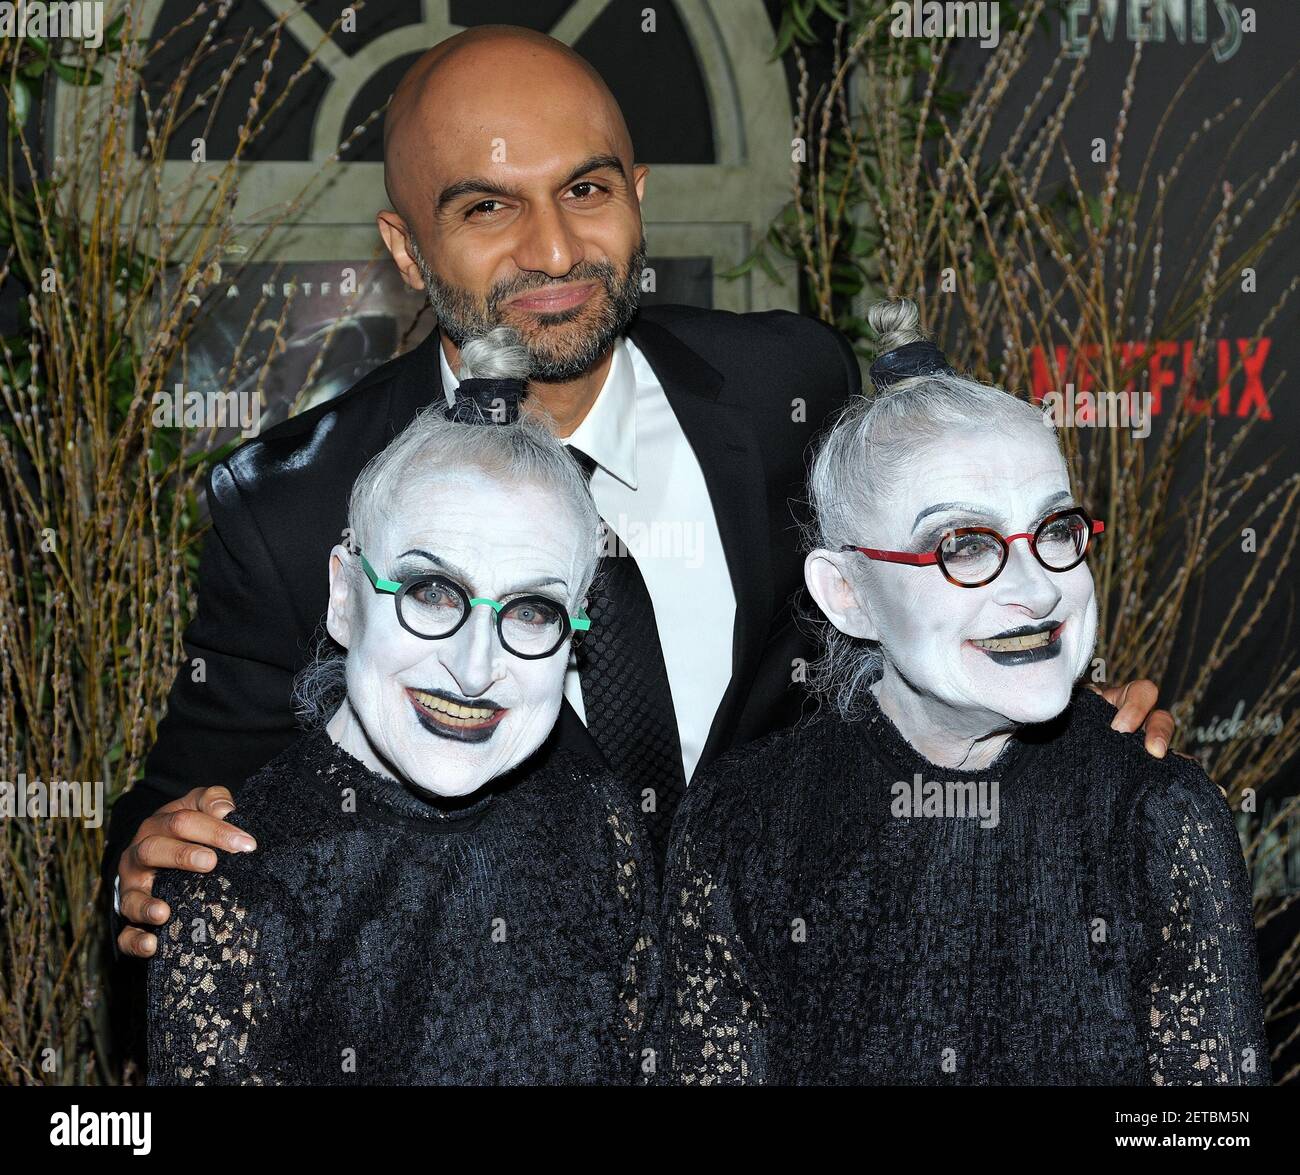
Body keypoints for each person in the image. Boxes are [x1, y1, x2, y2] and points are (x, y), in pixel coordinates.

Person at [109, 24, 1173, 960]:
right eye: (488, 206)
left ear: (638, 192)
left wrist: (1064, 726)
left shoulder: (787, 393)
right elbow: (187, 810)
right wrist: (150, 859)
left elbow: (909, 652)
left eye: (586, 188)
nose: (557, 249)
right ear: (404, 245)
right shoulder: (295, 503)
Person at [661, 300, 1270, 1086]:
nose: (1038, 589)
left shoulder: (1159, 817)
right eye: (964, 544)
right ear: (846, 593)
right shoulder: (737, 823)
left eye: (1055, 530)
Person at [148, 330, 657, 1085]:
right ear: (346, 597)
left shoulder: (601, 824)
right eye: (431, 593)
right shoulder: (236, 891)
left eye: (530, 610)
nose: (474, 668)